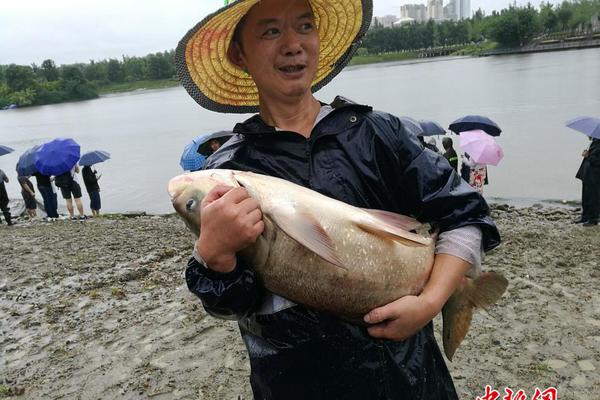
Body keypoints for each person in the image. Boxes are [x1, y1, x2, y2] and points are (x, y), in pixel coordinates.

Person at [177, 0, 500, 398]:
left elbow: (463, 215)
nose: (294, 44)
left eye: (305, 26)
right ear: (238, 54)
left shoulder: (379, 133)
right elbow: (233, 304)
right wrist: (215, 257)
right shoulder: (230, 168)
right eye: (271, 31)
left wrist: (431, 302)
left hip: (406, 378)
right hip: (293, 383)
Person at [574, 137, 600, 226]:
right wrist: (587, 155)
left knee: (594, 198)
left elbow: (597, 161)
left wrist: (588, 155)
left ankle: (593, 219)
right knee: (586, 196)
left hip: (596, 176)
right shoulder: (594, 142)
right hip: (587, 174)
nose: (588, 135)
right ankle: (585, 216)